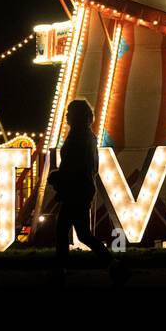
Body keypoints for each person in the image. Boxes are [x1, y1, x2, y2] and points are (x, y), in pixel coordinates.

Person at [50, 100, 128, 285]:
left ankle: (61, 270)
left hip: (75, 190)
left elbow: (74, 165)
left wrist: (58, 177)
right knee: (82, 233)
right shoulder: (87, 136)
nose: (67, 115)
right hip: (82, 189)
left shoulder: (78, 137)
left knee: (63, 231)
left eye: (70, 112)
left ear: (76, 115)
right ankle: (113, 265)